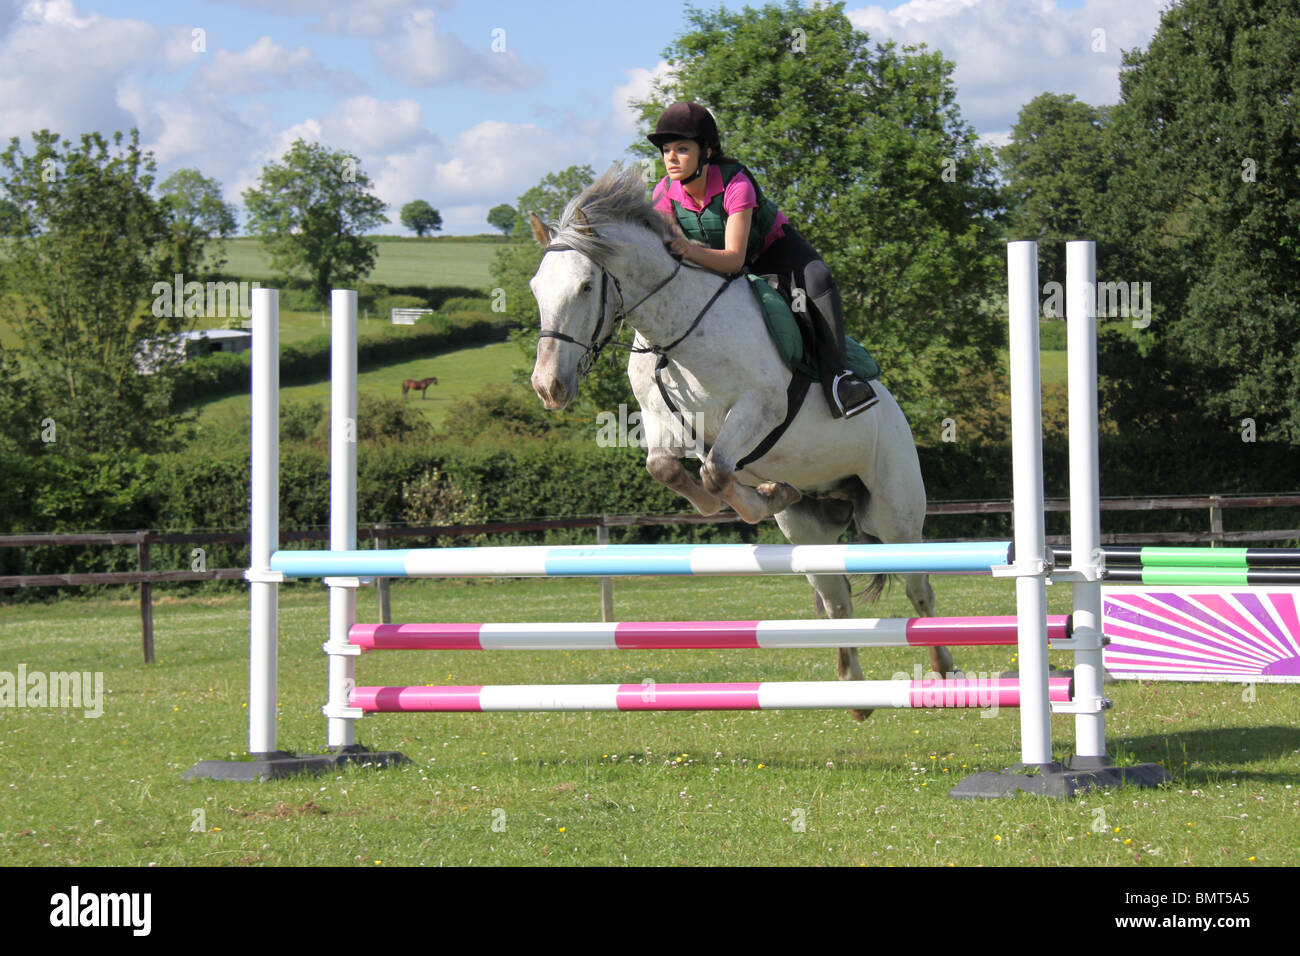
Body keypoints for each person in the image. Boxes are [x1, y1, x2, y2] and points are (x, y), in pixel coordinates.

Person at [647, 101, 877, 418]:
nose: (671, 158)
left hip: (774, 252)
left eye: (682, 149)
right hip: (711, 263)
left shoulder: (736, 184)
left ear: (707, 152)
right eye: (666, 150)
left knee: (818, 278)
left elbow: (732, 260)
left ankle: (839, 378)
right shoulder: (662, 194)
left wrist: (687, 250)